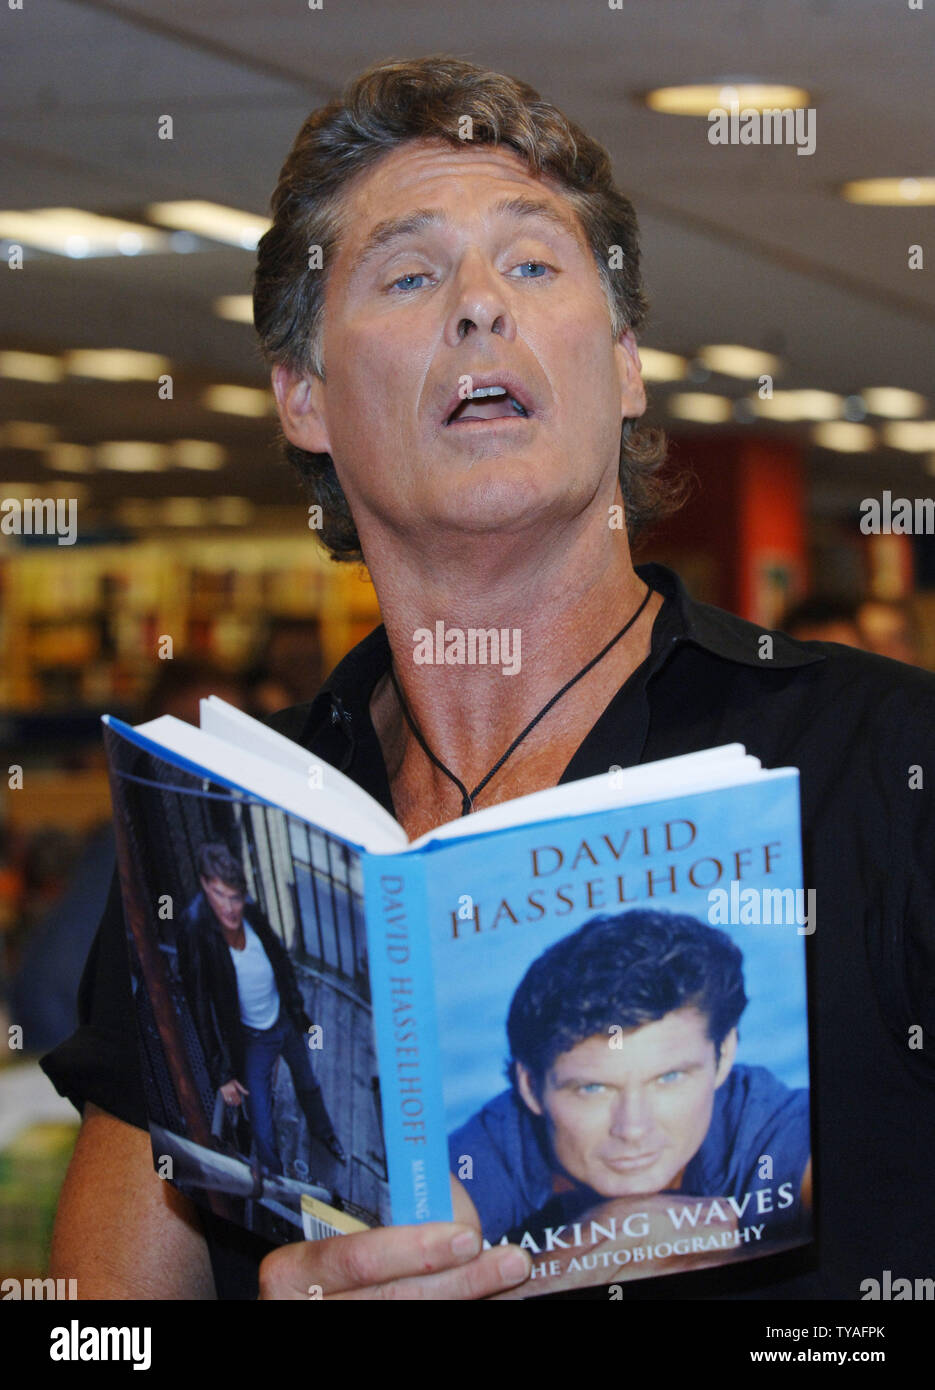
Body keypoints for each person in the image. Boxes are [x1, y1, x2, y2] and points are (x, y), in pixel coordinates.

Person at [43, 55, 935, 1302]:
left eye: (530, 264)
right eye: (408, 275)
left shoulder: (883, 767)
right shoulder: (221, 836)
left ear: (622, 366)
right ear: (303, 399)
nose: (478, 307)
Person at [450, 910, 810, 1248]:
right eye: (593, 1089)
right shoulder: (493, 1149)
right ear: (530, 1087)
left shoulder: (769, 1124)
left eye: (669, 1077)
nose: (633, 1128)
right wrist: (593, 1247)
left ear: (724, 1055)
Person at [176, 843, 346, 1175]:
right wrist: (222, 1074)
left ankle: (325, 1135)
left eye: (235, 896)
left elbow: (281, 961)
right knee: (262, 1124)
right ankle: (279, 1187)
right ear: (203, 885)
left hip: (282, 1020)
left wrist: (296, 1011)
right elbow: (199, 1006)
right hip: (252, 1038)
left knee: (308, 1083)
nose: (229, 907)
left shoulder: (250, 913)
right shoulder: (197, 930)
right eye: (219, 894)